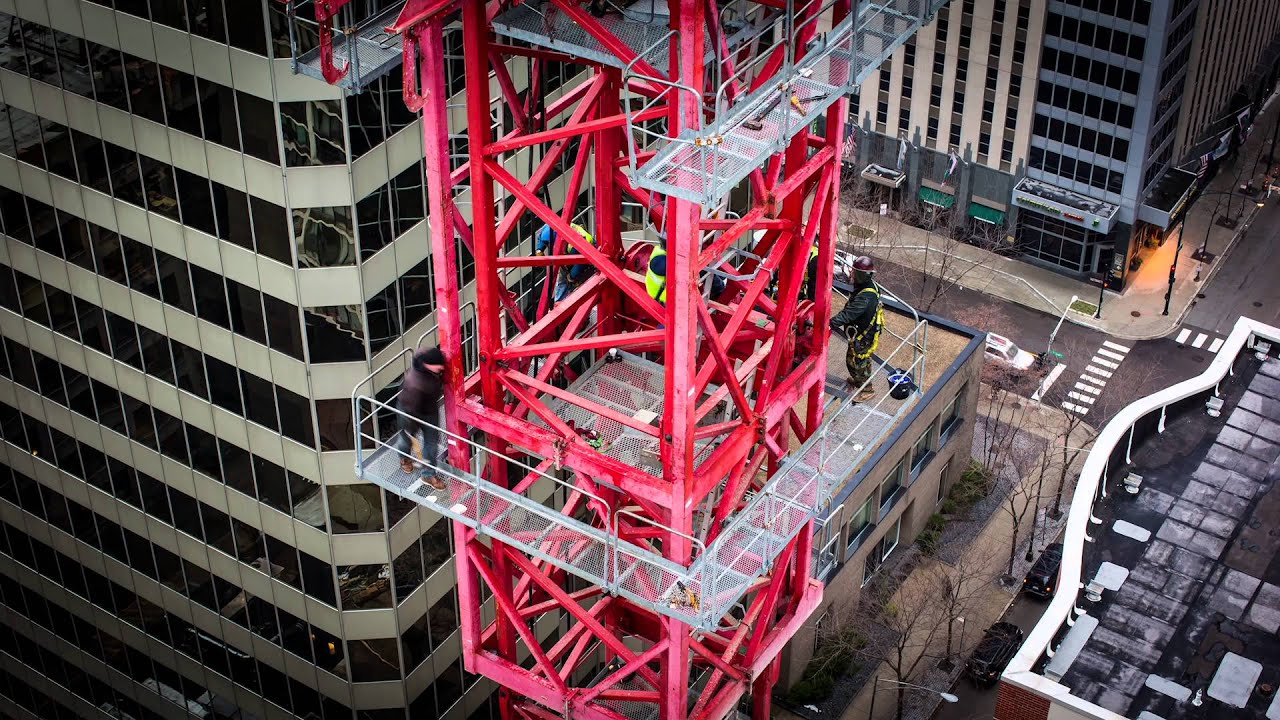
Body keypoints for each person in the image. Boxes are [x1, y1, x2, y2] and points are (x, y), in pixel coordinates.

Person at [829, 256, 884, 402]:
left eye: (854, 272)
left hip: (864, 335)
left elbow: (849, 314)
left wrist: (830, 323)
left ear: (861, 274)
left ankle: (867, 389)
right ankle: (860, 381)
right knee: (858, 359)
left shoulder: (865, 296)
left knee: (856, 361)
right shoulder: (869, 286)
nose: (852, 274)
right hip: (866, 331)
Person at [396, 347, 448, 491]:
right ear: (428, 365)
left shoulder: (428, 363)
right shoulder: (416, 385)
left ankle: (428, 474)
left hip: (429, 409)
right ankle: (404, 457)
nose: (441, 367)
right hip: (410, 412)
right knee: (406, 438)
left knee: (431, 443)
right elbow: (410, 411)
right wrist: (410, 429)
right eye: (437, 365)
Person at [535, 222, 595, 302]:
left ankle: (578, 302)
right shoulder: (550, 228)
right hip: (568, 255)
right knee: (563, 280)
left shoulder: (579, 240)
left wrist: (572, 276)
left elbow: (579, 262)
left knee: (575, 281)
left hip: (586, 256)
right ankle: (559, 303)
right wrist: (539, 250)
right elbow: (543, 240)